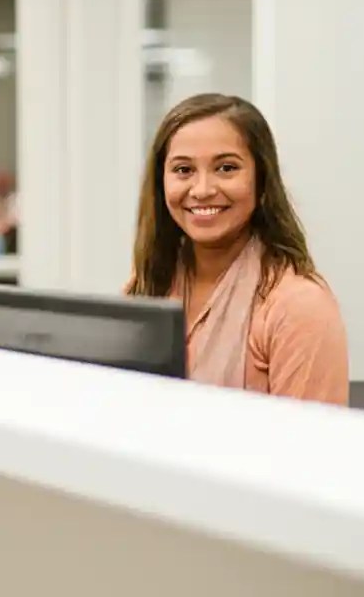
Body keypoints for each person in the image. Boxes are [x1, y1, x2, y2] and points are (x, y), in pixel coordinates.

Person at [125, 93, 348, 405]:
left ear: (261, 180)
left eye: (226, 168)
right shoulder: (149, 282)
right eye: (183, 170)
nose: (202, 190)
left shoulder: (298, 306)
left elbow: (311, 448)